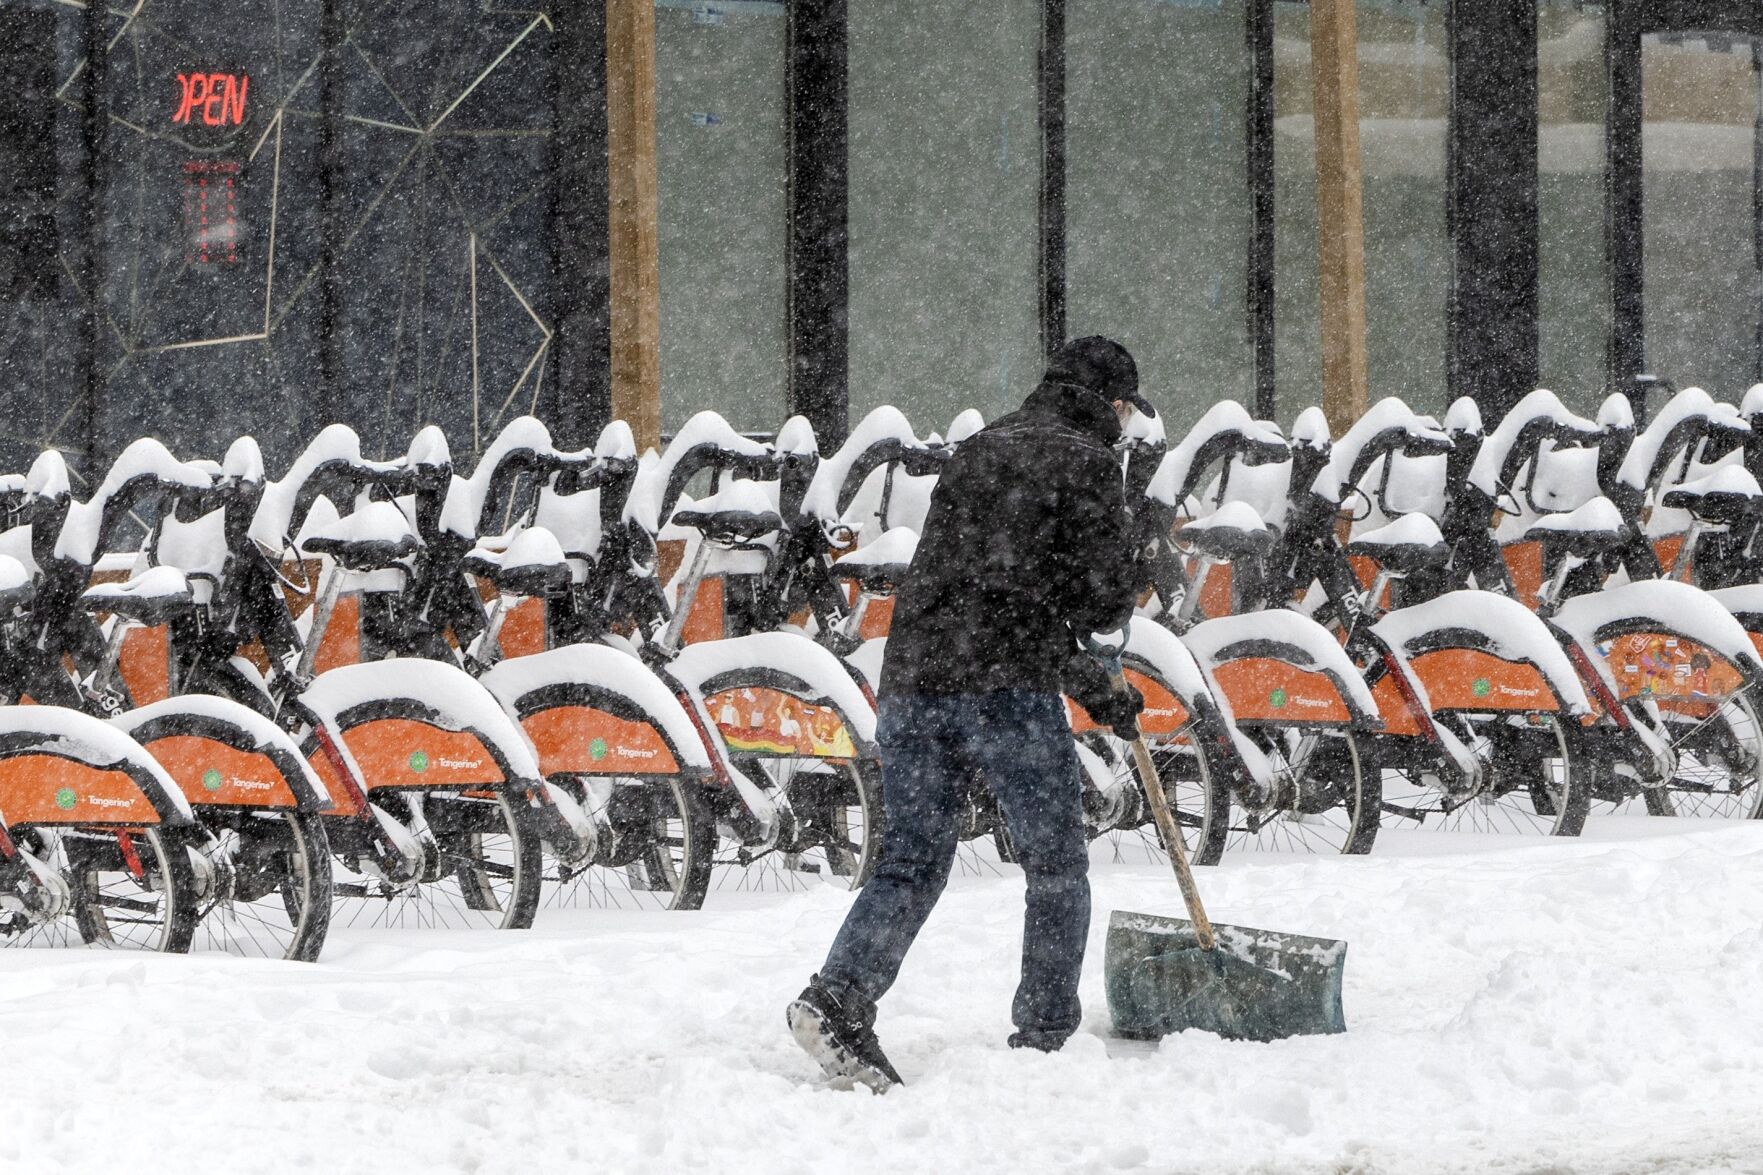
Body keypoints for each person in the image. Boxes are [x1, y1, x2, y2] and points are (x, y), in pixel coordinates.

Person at [786, 336, 1153, 1091]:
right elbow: (1093, 602)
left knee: (912, 859)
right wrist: (1132, 558)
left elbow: (997, 594)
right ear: (1112, 405)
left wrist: (1094, 687)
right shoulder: (1086, 461)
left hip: (915, 678)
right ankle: (1047, 1035)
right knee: (1054, 861)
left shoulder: (981, 446)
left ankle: (838, 997)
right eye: (1124, 411)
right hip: (1005, 690)